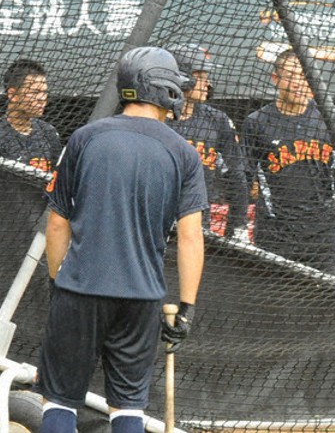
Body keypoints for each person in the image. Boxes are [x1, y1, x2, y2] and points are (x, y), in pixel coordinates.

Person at [37, 46, 206, 433]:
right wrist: (186, 307)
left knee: (60, 400)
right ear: (162, 88)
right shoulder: (183, 154)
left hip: (80, 288)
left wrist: (56, 279)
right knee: (127, 407)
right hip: (142, 296)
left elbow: (58, 222)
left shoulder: (84, 138)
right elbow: (190, 237)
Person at [241, 49, 335, 277]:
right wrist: (241, 223)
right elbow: (244, 178)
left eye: (303, 76)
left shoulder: (329, 119)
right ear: (276, 78)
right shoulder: (256, 123)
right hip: (276, 237)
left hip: (326, 236)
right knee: (273, 307)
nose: (297, 83)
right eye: (290, 76)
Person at [167, 44, 249, 241]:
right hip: (154, 228)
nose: (207, 84)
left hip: (198, 229)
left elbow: (236, 175)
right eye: (200, 77)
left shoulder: (216, 120)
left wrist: (237, 227)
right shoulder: (154, 119)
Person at [0, 58, 62, 171]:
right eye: (35, 92)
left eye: (44, 92)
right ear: (13, 95)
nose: (42, 98)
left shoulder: (48, 132)